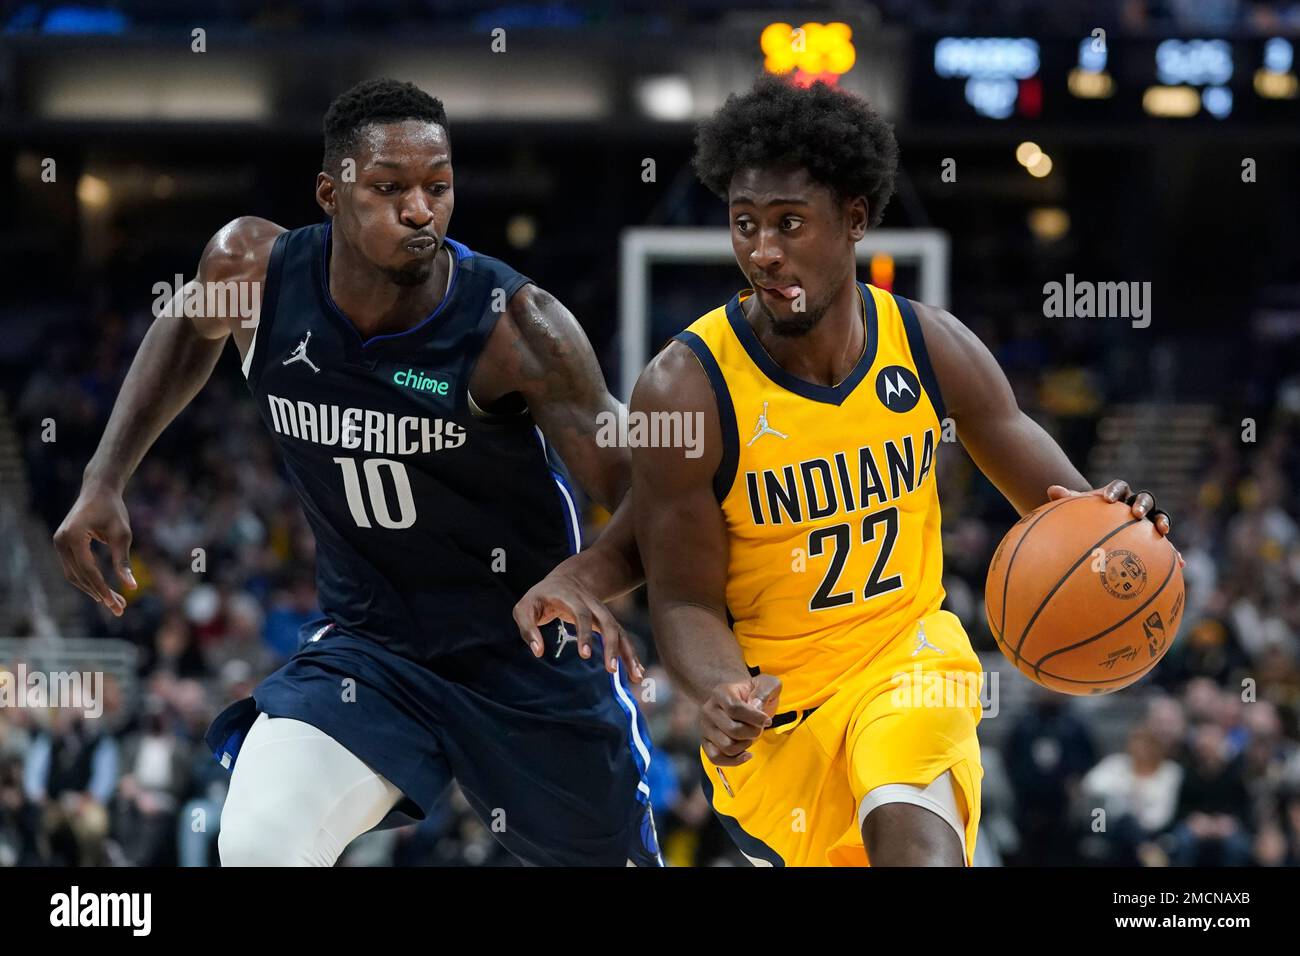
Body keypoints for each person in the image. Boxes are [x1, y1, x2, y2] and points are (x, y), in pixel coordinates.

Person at [54, 78, 659, 867]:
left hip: (527, 656)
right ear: (330, 193)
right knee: (260, 842)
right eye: (389, 189)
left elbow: (647, 500)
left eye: (438, 188)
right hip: (373, 651)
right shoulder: (252, 269)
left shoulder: (518, 328)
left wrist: (584, 581)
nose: (420, 211)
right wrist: (106, 477)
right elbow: (184, 324)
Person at [628, 75, 1178, 866]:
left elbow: (1065, 509)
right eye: (744, 224)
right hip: (780, 714)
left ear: (854, 220)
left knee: (917, 848)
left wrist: (1114, 526)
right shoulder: (686, 387)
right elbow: (680, 595)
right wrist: (720, 688)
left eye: (789, 222)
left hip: (907, 660)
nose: (762, 249)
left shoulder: (929, 346)